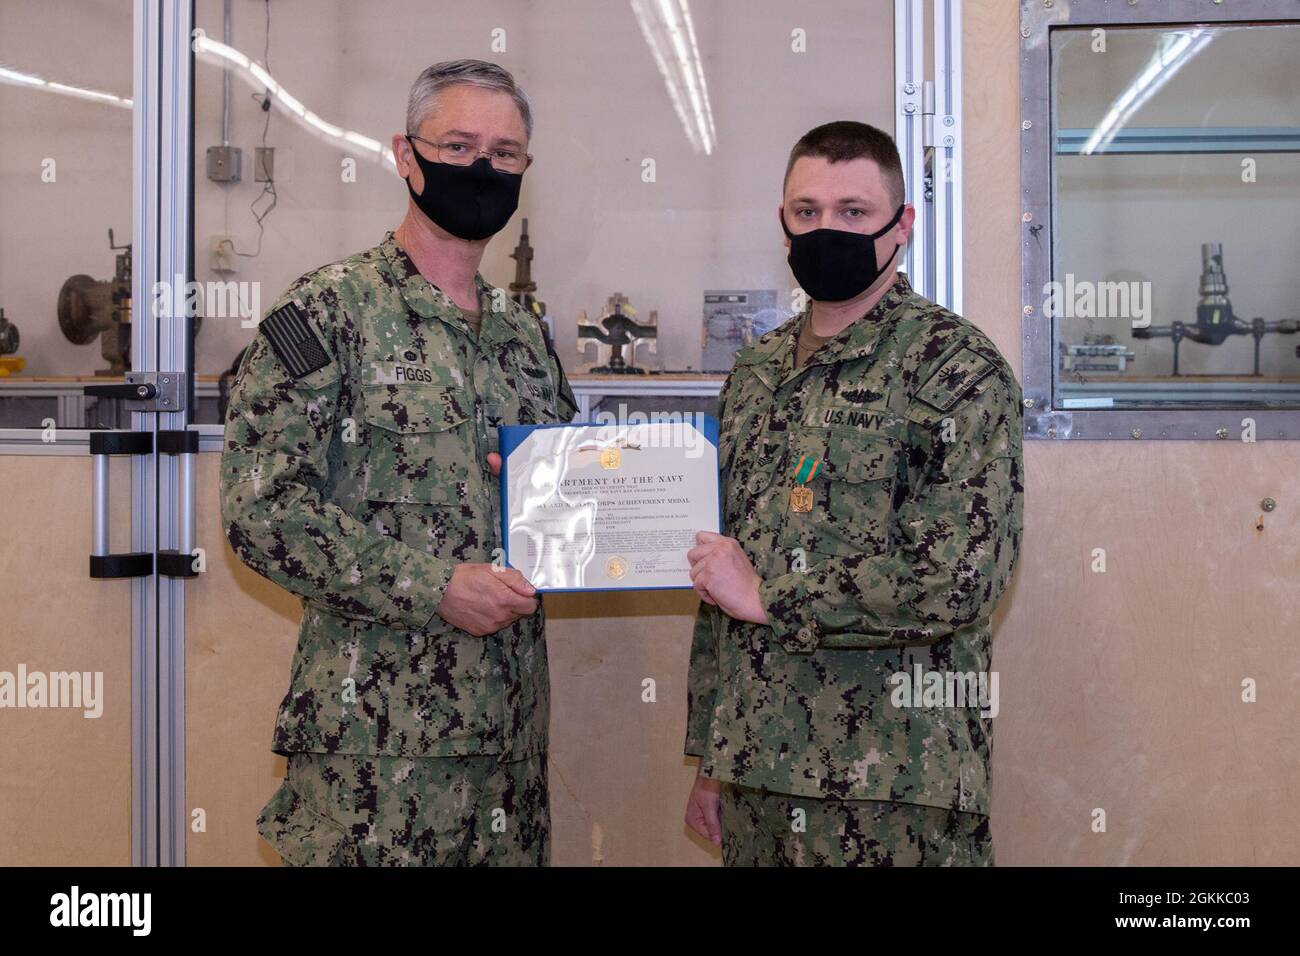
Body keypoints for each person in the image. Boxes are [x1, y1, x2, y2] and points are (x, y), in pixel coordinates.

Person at [220, 59, 576, 866]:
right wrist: (432, 585)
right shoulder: (326, 314)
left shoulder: (524, 337)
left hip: (507, 758)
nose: (483, 169)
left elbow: (568, 500)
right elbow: (263, 512)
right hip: (375, 761)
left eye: (506, 153)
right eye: (458, 144)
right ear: (405, 155)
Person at [683, 121, 1023, 866]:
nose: (826, 229)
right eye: (807, 212)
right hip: (759, 778)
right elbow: (722, 572)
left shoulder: (955, 370)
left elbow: (961, 580)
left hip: (893, 786)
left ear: (900, 225)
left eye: (853, 212)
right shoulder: (756, 373)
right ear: (782, 222)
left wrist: (776, 596)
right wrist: (713, 756)